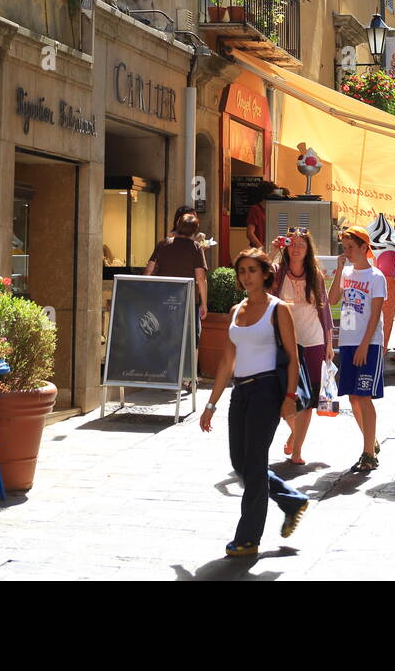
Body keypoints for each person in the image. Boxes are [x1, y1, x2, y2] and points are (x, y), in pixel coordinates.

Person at [200, 249, 309, 557]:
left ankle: (248, 539)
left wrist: (289, 398)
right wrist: (210, 404)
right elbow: (226, 361)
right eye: (242, 271)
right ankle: (290, 499)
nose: (246, 276)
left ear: (265, 274)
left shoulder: (278, 309)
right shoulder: (236, 310)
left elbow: (292, 358)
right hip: (241, 391)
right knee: (241, 463)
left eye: (252, 270)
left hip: (267, 390)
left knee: (256, 462)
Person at [271, 228, 334, 464]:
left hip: (313, 340)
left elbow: (324, 310)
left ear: (308, 249)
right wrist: (272, 251)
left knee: (308, 400)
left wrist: (329, 343)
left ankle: (297, 450)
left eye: (301, 244)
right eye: (292, 243)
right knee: (282, 394)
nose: (296, 248)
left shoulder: (314, 275)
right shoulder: (277, 273)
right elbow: (259, 285)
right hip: (285, 343)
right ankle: (295, 435)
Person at [329, 226, 386, 473]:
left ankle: (368, 454)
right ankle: (369, 442)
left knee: (364, 396)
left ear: (365, 247)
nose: (348, 251)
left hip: (369, 343)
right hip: (348, 340)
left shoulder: (376, 277)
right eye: (344, 247)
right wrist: (340, 269)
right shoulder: (347, 273)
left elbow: (375, 313)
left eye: (351, 247)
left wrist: (365, 344)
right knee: (352, 397)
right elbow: (332, 300)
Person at [144, 211, 208, 348]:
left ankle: (165, 367)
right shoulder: (196, 248)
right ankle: (189, 368)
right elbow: (201, 278)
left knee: (163, 335)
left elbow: (149, 270)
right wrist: (204, 303)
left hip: (162, 298)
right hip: (188, 300)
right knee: (190, 339)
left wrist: (146, 293)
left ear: (178, 225)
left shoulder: (163, 245)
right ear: (194, 231)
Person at [367, 213, 395, 350]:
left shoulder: (376, 247)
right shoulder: (394, 245)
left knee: (380, 317)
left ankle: (379, 351)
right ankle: (380, 352)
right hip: (390, 276)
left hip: (386, 276)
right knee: (385, 317)